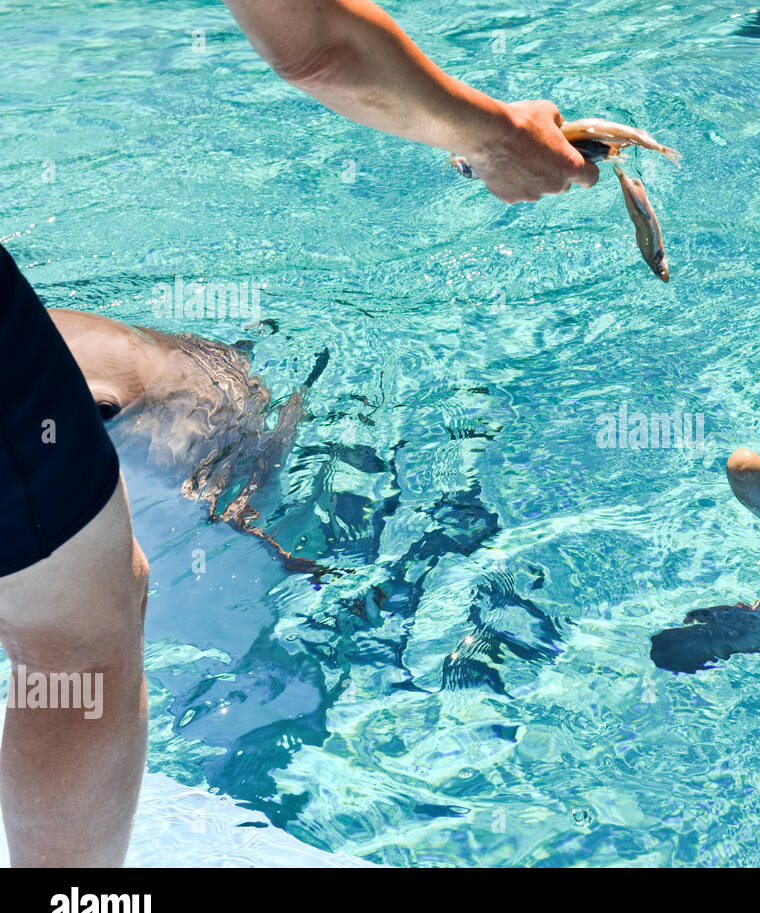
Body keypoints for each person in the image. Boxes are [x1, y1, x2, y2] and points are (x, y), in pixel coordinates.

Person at [0, 0, 594, 866]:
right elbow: (319, 48)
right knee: (76, 645)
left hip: (116, 401)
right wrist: (498, 132)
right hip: (120, 414)